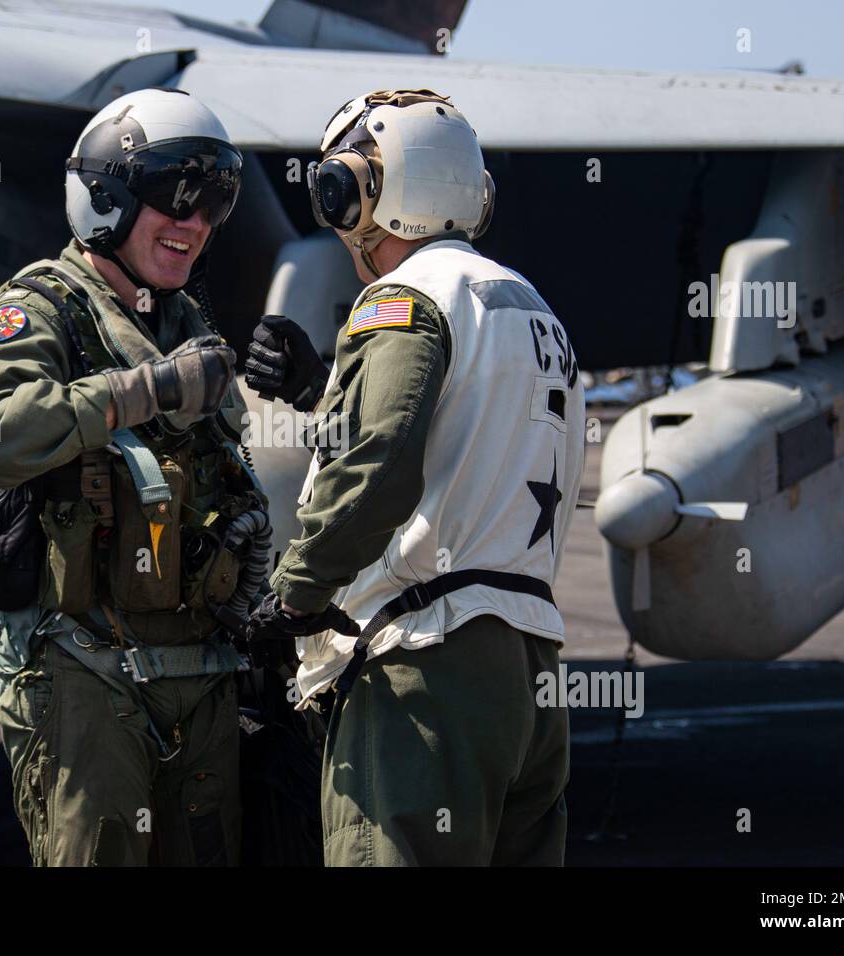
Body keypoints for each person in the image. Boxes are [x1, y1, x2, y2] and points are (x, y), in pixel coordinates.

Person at [245, 89, 586, 866]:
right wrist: (321, 390)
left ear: (359, 190)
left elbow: (382, 461)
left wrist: (295, 595)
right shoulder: (531, 308)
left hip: (425, 672)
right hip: (529, 671)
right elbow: (460, 441)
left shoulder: (400, 301)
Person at [0, 87, 266, 866]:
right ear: (108, 197)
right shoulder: (42, 309)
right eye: (176, 197)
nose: (195, 224)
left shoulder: (186, 323)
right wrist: (148, 390)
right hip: (87, 672)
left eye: (215, 202)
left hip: (203, 669)